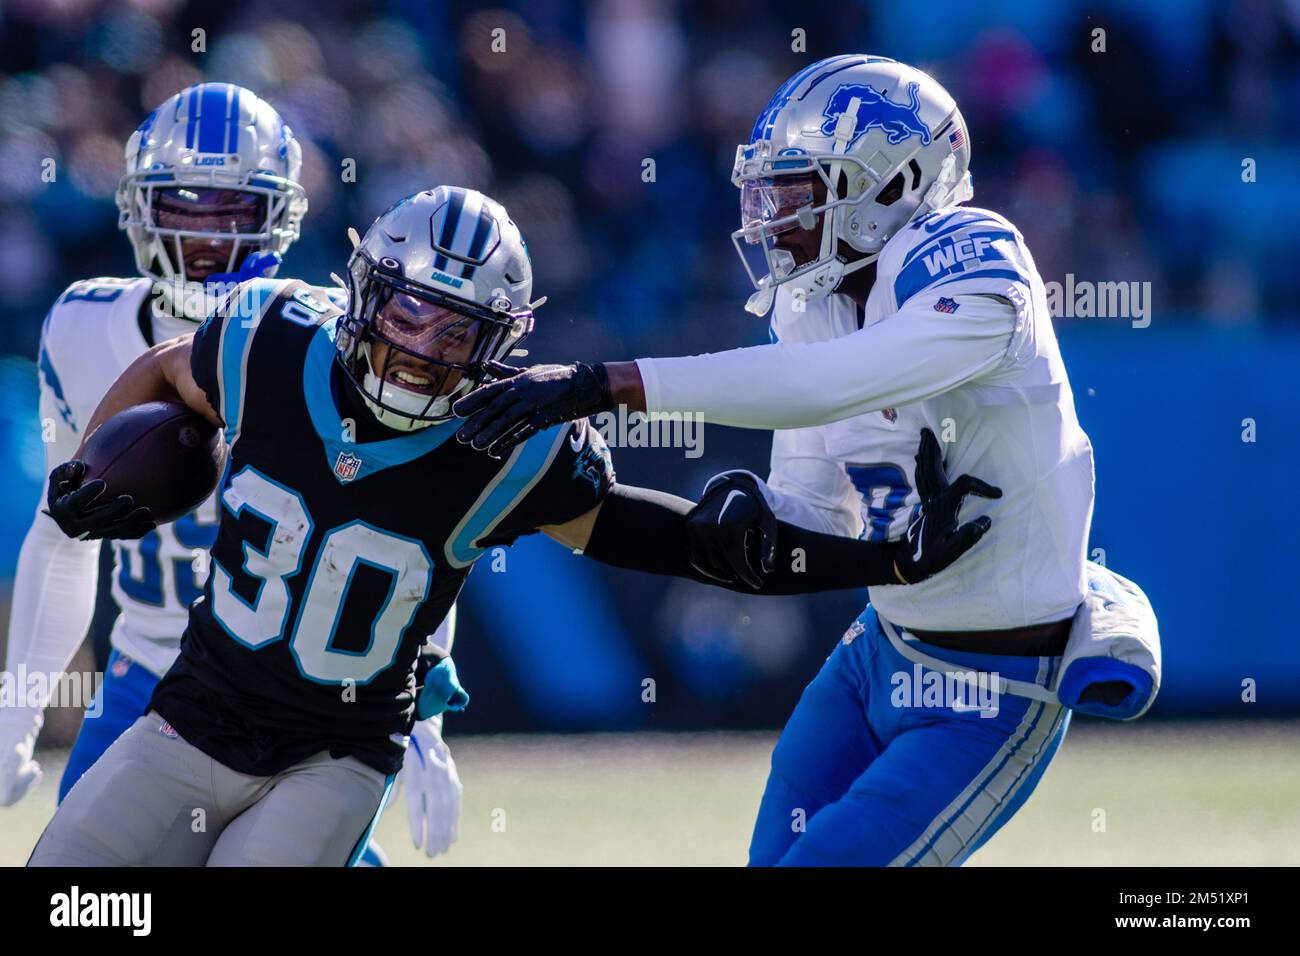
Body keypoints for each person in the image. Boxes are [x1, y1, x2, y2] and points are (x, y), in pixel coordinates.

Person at [26, 185, 996, 866]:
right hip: (186, 719)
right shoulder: (271, 339)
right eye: (407, 313)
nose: (420, 351)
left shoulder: (514, 444)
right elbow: (167, 368)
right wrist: (86, 465)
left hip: (334, 753)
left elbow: (661, 537)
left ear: (499, 344)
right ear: (365, 291)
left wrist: (877, 556)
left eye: (457, 332)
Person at [451, 55, 1111, 865]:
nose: (771, 219)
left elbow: (836, 383)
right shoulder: (814, 299)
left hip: (994, 683)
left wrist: (607, 385)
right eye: (765, 192)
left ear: (898, 181)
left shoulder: (974, 253)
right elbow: (811, 507)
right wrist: (744, 538)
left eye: (796, 191)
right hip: (879, 652)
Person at [0, 83, 456, 865]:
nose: (206, 237)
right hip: (147, 674)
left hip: (302, 700)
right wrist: (20, 707)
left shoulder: (322, 340)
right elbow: (62, 531)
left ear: (278, 216)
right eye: (182, 203)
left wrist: (425, 718)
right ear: (140, 206)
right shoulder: (82, 325)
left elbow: (415, 540)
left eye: (234, 210)